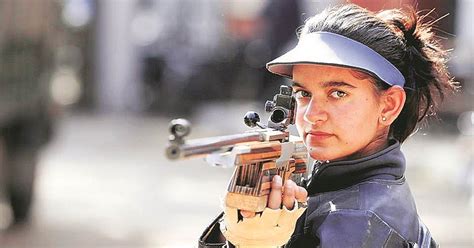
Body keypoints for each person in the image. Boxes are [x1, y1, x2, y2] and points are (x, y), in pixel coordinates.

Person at [199, 3, 457, 248]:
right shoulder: (349, 185)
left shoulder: (356, 220)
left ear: (389, 105)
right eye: (304, 94)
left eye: (338, 93)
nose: (312, 115)